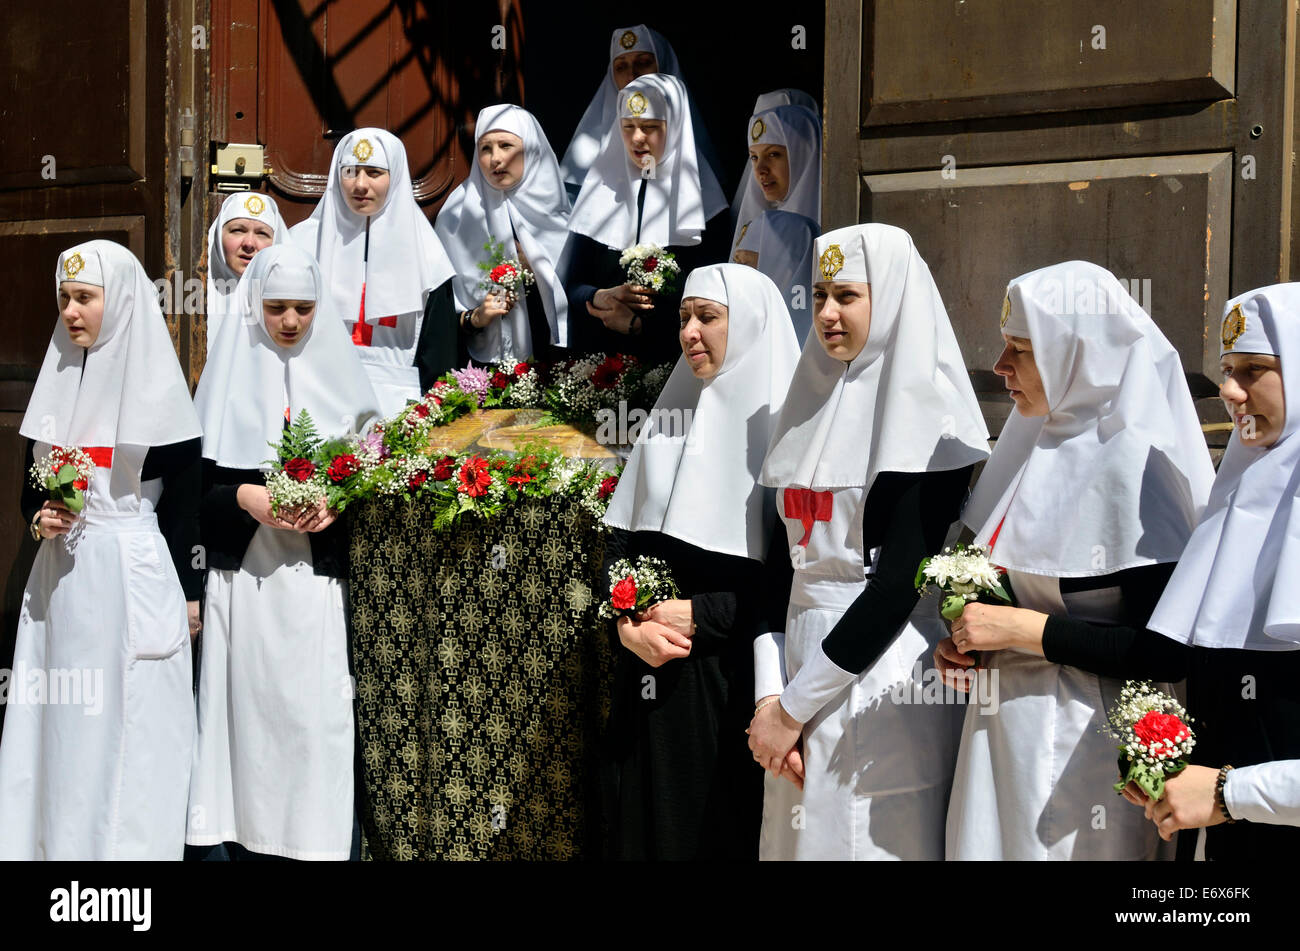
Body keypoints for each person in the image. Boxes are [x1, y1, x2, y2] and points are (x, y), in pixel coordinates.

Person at [938, 260, 1215, 860]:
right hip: (999, 738)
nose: (1000, 367)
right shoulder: (1029, 445)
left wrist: (1021, 629)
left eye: (1020, 350)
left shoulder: (1138, 467)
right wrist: (969, 635)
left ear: (1075, 353)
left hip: (1083, 747)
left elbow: (1161, 651)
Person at [746, 223, 991, 860]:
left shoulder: (931, 425)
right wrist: (768, 696)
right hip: (797, 669)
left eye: (847, 296)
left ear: (890, 298)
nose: (827, 313)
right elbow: (778, 573)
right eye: (820, 294)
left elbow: (891, 588)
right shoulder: (810, 404)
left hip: (881, 681)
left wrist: (791, 710)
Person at [0, 240, 202, 859]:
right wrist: (42, 520)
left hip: (129, 575)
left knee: (128, 724)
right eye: (64, 298)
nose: (70, 311)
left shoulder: (159, 392)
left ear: (119, 303)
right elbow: (30, 481)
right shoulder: (59, 376)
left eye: (84, 298)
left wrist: (191, 597)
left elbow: (184, 505)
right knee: (62, 727)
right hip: (61, 581)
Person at [186, 244, 382, 860]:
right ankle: (240, 840)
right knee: (247, 717)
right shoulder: (226, 375)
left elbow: (374, 469)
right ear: (253, 308)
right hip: (246, 581)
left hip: (314, 583)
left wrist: (340, 501)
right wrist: (248, 497)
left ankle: (316, 842)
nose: (290, 322)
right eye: (275, 308)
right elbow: (194, 490)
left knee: (312, 716)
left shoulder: (345, 378)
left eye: (302, 308)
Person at [600, 263, 799, 860]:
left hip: (727, 685)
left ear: (750, 326)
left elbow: (792, 581)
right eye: (684, 317)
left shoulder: (786, 433)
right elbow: (621, 542)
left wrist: (700, 615)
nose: (690, 332)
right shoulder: (670, 417)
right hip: (646, 674)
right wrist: (626, 623)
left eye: (707, 317)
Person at [1138, 284, 1300, 858]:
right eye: (1228, 370)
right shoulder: (1233, 505)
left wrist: (1232, 793)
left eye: (1254, 370)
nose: (1229, 391)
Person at [564, 73, 729, 366]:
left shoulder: (706, 204)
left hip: (675, 364)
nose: (637, 138)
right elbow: (573, 284)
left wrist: (638, 326)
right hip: (604, 366)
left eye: (650, 127)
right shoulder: (600, 192)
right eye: (628, 127)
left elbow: (715, 304)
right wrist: (599, 296)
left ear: (675, 127)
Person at [291, 128, 457, 415]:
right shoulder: (301, 244)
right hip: (314, 399)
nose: (360, 185)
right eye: (350, 171)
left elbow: (438, 359)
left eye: (374, 173)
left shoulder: (427, 255)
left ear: (395, 178)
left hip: (399, 409)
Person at [435, 104, 570, 366]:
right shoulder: (458, 215)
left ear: (531, 147)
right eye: (485, 148)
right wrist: (476, 317)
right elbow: (438, 315)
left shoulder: (560, 211)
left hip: (564, 366)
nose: (495, 158)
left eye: (506, 146)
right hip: (487, 371)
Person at [558, 24, 723, 202]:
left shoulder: (696, 154)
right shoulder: (588, 148)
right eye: (621, 67)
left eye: (643, 63)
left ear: (664, 65)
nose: (632, 75)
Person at [730, 104, 821, 342]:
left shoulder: (835, 221)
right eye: (754, 157)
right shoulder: (760, 225)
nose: (760, 170)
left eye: (773, 154)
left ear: (802, 152)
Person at [205, 190, 292, 358]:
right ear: (218, 236)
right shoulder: (191, 292)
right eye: (238, 230)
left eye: (262, 233)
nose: (249, 244)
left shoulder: (291, 298)